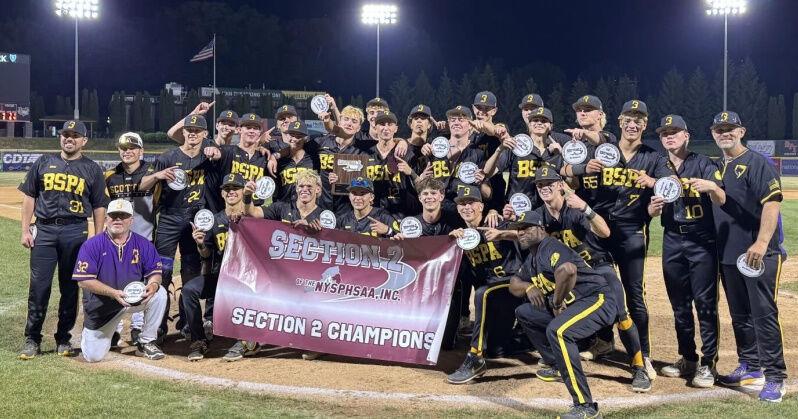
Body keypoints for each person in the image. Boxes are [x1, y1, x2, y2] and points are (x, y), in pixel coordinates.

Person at [521, 167, 650, 392]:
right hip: (572, 276)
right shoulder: (539, 215)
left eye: (550, 182)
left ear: (561, 184)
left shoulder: (575, 208)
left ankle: (639, 366)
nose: (545, 188)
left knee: (621, 312)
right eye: (540, 185)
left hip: (598, 268)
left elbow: (605, 232)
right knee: (537, 311)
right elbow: (521, 235)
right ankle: (558, 361)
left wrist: (587, 209)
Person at [575, 100, 673, 380]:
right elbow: (577, 176)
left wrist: (653, 188)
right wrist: (584, 167)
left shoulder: (653, 158)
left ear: (644, 124)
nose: (632, 125)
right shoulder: (602, 151)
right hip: (599, 231)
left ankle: (643, 355)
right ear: (618, 122)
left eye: (638, 120)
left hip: (632, 232)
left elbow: (669, 186)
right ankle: (603, 341)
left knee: (634, 296)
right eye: (628, 119)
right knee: (600, 289)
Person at [705, 111, 787, 402]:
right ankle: (752, 366)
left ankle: (776, 377)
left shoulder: (756, 162)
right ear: (713, 134)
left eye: (730, 129)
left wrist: (763, 243)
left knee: (763, 315)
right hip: (728, 254)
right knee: (739, 315)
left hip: (759, 253)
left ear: (741, 131)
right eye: (719, 129)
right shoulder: (716, 166)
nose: (724, 133)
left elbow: (772, 203)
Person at [509, 210, 615, 419]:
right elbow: (514, 283)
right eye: (518, 230)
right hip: (576, 305)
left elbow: (567, 270)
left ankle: (585, 407)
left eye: (526, 228)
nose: (521, 233)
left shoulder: (550, 246)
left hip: (597, 299)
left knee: (558, 331)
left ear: (541, 228)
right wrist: (529, 287)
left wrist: (556, 301)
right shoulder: (533, 257)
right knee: (525, 312)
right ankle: (556, 364)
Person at [18, 120, 107, 359]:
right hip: (44, 231)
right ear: (61, 138)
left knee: (70, 288)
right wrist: (25, 230)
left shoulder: (92, 169)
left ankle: (63, 339)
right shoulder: (43, 162)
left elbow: (99, 206)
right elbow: (29, 197)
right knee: (39, 287)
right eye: (66, 134)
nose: (69, 138)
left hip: (75, 232)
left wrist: (97, 239)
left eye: (75, 135)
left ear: (84, 141)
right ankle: (32, 338)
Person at [647, 115, 720, 388]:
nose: (669, 136)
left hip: (701, 241)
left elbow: (721, 197)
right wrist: (651, 209)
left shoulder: (703, 162)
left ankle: (708, 362)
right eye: (665, 133)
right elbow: (649, 207)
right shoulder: (659, 165)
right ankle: (687, 357)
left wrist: (711, 187)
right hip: (672, 239)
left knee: (704, 304)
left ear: (686, 135)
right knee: (679, 305)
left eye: (675, 131)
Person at [141, 114, 215, 338]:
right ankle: (159, 324)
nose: (192, 133)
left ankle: (187, 322)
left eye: (197, 130)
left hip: (196, 219)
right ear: (182, 132)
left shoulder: (209, 157)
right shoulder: (168, 156)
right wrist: (157, 175)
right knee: (162, 271)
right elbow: (143, 184)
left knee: (191, 272)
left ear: (204, 135)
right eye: (188, 129)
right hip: (170, 218)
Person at [73, 199, 167, 362]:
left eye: (123, 216)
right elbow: (84, 281)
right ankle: (101, 334)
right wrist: (112, 293)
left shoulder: (143, 244)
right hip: (103, 307)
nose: (117, 219)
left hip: (133, 300)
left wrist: (153, 284)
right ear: (107, 219)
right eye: (113, 215)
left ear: (131, 220)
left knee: (160, 293)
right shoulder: (92, 245)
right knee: (93, 356)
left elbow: (155, 272)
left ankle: (146, 342)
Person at [446, 185, 521, 384]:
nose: (466, 207)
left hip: (513, 286)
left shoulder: (496, 224)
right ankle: (524, 340)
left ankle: (474, 357)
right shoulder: (462, 236)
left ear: (481, 206)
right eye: (462, 204)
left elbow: (527, 235)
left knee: (482, 293)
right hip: (494, 299)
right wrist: (451, 243)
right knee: (496, 349)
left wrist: (503, 233)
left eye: (471, 203)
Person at [104, 132, 160, 346]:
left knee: (142, 282)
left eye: (132, 147)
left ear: (141, 150)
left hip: (144, 237)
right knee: (115, 281)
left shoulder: (151, 172)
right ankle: (115, 328)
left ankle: (137, 327)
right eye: (123, 148)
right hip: (116, 239)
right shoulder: (110, 176)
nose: (127, 151)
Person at [184, 174, 246, 361]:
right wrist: (201, 244)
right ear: (221, 193)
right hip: (221, 278)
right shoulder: (215, 220)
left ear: (243, 191)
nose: (231, 192)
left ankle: (243, 340)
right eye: (227, 189)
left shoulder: (253, 217)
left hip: (246, 280)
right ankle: (198, 340)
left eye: (235, 188)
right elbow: (206, 255)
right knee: (188, 290)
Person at [484, 107, 564, 209]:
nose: (539, 123)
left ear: (551, 126)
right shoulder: (516, 146)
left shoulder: (556, 151)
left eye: (544, 121)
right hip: (518, 209)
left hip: (548, 211)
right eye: (535, 120)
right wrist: (499, 150)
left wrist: (561, 155)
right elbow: (488, 173)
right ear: (529, 124)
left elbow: (572, 184)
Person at [365, 111, 419, 217]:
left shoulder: (408, 154)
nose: (386, 128)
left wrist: (411, 172)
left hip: (401, 213)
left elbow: (420, 185)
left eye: (390, 124)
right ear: (375, 128)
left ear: (396, 129)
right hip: (373, 213)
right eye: (382, 124)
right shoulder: (366, 154)